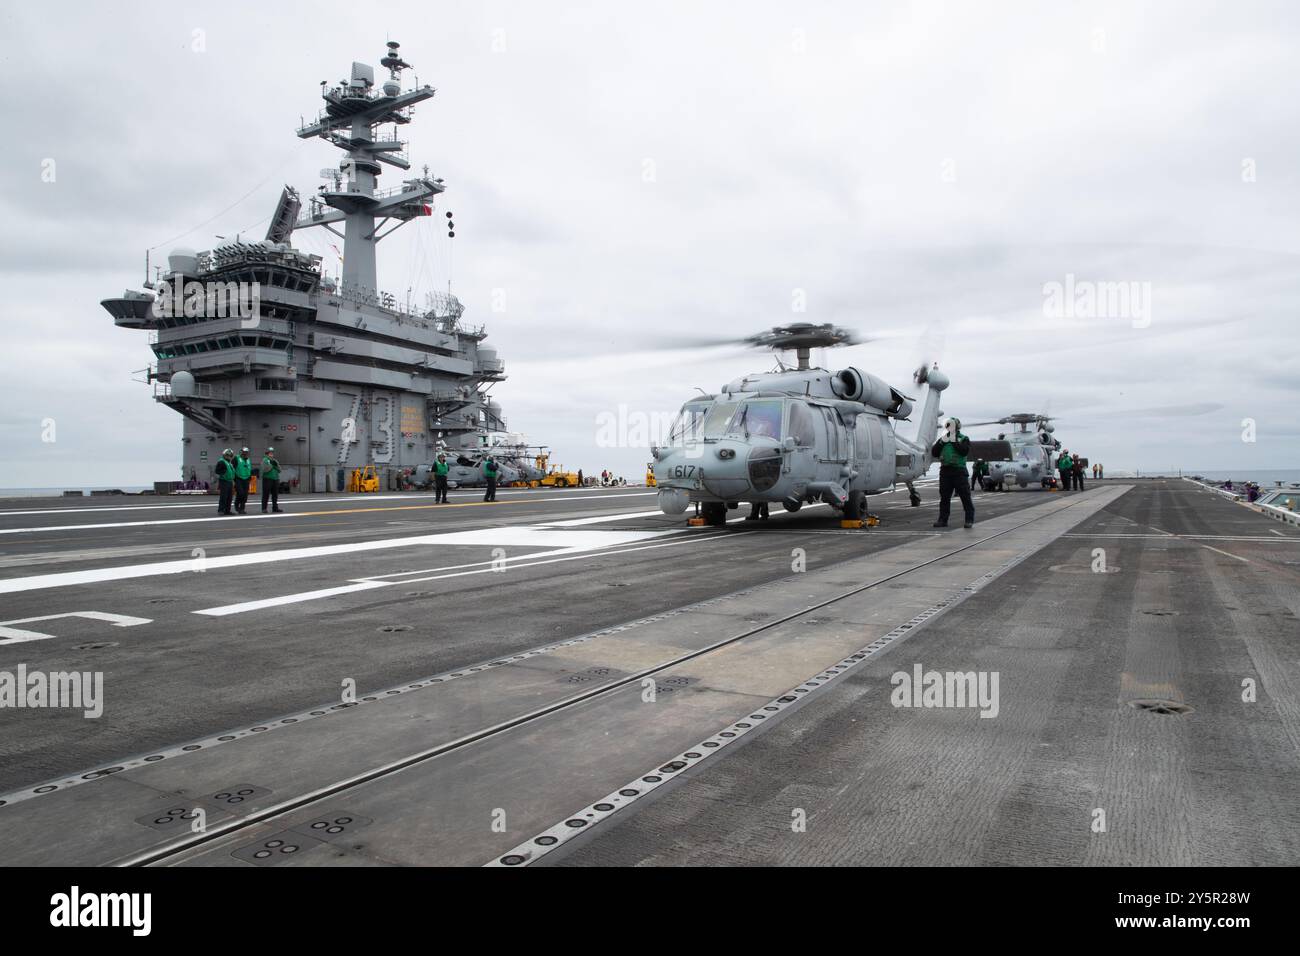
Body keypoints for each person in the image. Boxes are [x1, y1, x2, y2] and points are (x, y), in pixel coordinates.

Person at [931, 417, 975, 528]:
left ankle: (969, 519)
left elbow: (964, 451)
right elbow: (934, 452)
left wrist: (953, 439)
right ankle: (943, 520)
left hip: (959, 471)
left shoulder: (964, 438)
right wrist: (941, 441)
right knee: (944, 497)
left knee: (965, 496)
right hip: (945, 471)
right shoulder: (943, 439)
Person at [214, 448, 236, 515]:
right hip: (224, 481)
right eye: (227, 455)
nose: (229, 456)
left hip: (230, 481)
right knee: (223, 496)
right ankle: (221, 510)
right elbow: (217, 470)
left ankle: (227, 510)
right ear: (224, 455)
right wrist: (224, 472)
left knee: (229, 497)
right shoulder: (221, 461)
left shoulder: (229, 463)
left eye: (230, 455)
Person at [261, 447, 283, 513]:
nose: (271, 454)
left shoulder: (275, 460)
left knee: (275, 495)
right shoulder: (264, 460)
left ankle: (275, 508)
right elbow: (265, 470)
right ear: (267, 453)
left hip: (275, 479)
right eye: (270, 452)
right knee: (266, 494)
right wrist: (271, 465)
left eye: (272, 452)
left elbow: (280, 470)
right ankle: (264, 508)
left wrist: (276, 465)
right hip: (267, 479)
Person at [234, 447, 253, 513]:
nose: (245, 453)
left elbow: (249, 468)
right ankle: (236, 504)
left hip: (246, 478)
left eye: (246, 452)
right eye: (244, 452)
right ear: (241, 452)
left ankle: (242, 509)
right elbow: (233, 467)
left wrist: (250, 476)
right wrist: (234, 478)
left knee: (245, 495)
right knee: (240, 493)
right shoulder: (236, 458)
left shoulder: (248, 460)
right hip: (238, 478)